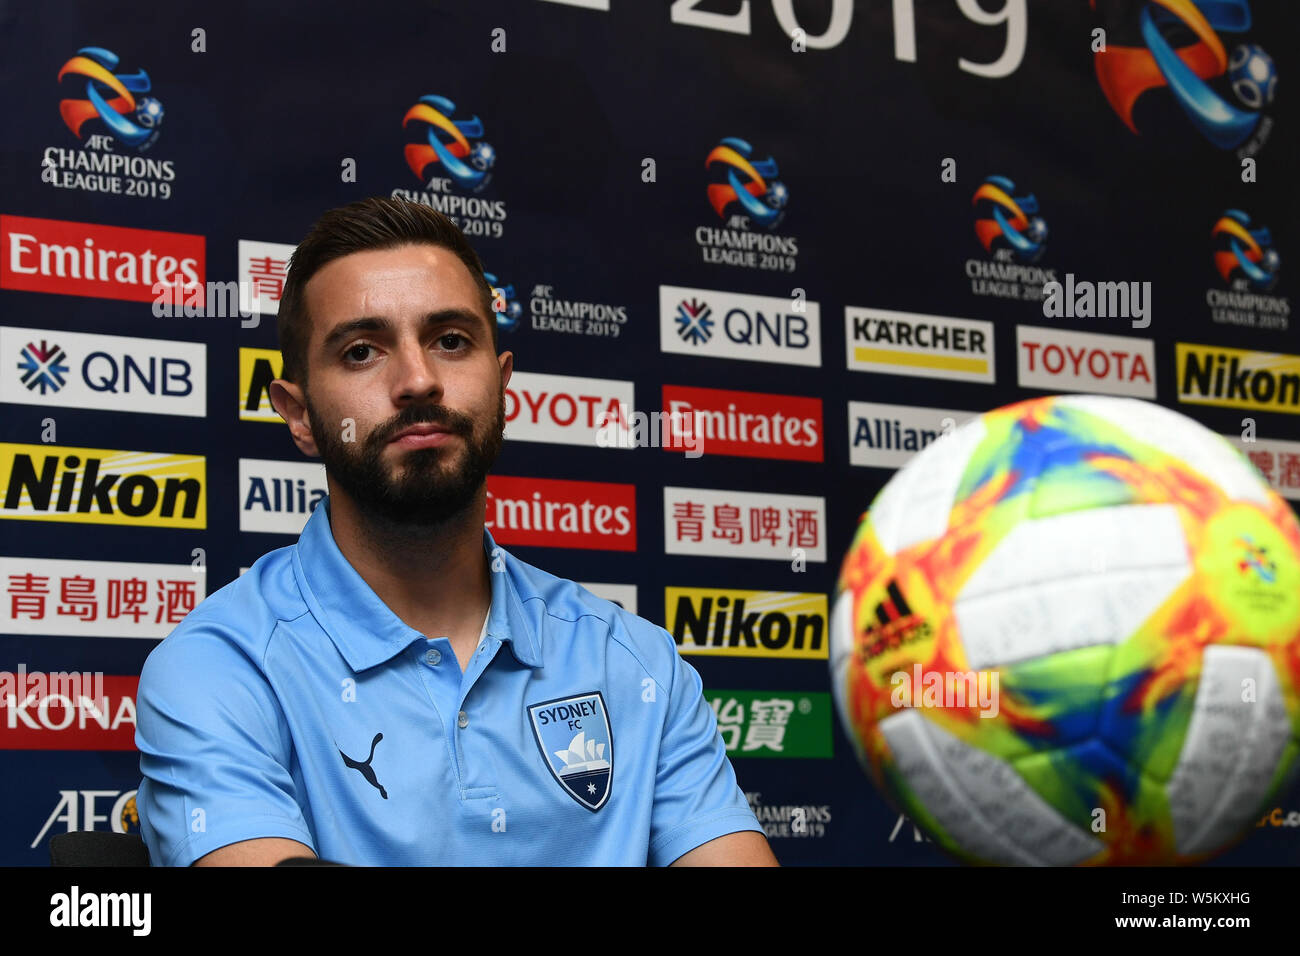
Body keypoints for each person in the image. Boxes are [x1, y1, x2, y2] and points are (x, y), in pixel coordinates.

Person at [135, 197, 778, 867]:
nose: (417, 381)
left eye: (450, 341)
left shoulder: (635, 664)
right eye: (361, 352)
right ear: (298, 416)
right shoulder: (220, 668)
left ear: (501, 386)